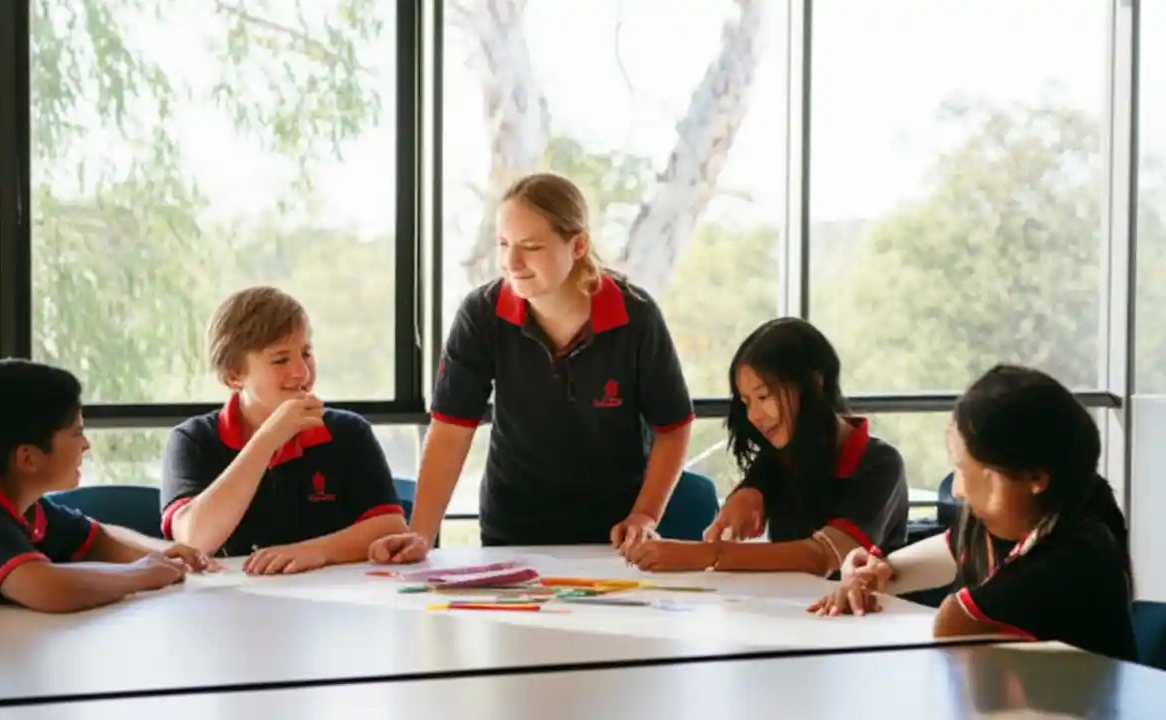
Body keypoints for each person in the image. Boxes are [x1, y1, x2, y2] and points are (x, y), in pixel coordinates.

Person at [369, 172, 694, 561]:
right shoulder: (482, 314)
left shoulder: (635, 316)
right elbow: (452, 429)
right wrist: (421, 533)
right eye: (503, 244)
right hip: (511, 533)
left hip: (612, 538)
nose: (511, 262)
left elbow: (673, 428)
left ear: (578, 245)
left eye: (531, 246)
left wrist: (645, 515)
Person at [809, 365, 1136, 662]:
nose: (957, 491)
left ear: (1034, 478)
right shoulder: (1011, 520)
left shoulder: (1080, 553)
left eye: (966, 471)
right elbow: (939, 554)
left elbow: (955, 622)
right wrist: (870, 575)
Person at [0, 360, 211, 612]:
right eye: (76, 433)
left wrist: (162, 553)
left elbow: (96, 538)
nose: (86, 445)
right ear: (28, 458)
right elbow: (50, 589)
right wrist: (143, 574)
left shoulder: (22, 503)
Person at [625, 318, 909, 574]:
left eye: (764, 396)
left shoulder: (880, 464)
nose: (754, 416)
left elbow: (825, 557)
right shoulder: (778, 458)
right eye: (747, 402)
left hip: (867, 621)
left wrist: (708, 554)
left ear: (814, 382)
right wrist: (744, 497)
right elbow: (751, 497)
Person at [161, 286, 406, 574]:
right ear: (233, 376)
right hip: (229, 605)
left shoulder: (349, 432)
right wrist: (269, 437)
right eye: (280, 360)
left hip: (331, 603)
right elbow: (195, 540)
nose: (302, 372)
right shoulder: (192, 439)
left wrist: (314, 551)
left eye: (306, 353)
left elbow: (390, 527)